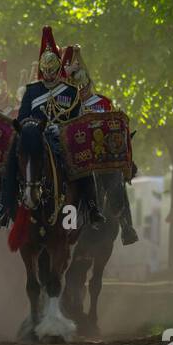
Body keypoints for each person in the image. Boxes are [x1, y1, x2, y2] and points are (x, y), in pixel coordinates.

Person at [0, 26, 104, 230]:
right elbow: (22, 117)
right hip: (35, 138)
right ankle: (2, 209)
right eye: (46, 71)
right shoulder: (32, 91)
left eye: (52, 71)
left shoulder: (70, 90)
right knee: (9, 161)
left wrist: (62, 130)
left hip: (61, 139)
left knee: (83, 161)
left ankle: (92, 208)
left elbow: (77, 120)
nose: (49, 76)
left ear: (59, 68)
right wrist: (31, 127)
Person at [61, 45, 139, 245]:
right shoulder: (68, 107)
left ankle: (126, 225)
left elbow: (115, 131)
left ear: (89, 84)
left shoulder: (104, 102)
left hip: (103, 157)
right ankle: (67, 223)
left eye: (84, 86)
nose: (83, 91)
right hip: (78, 159)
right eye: (78, 88)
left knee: (116, 182)